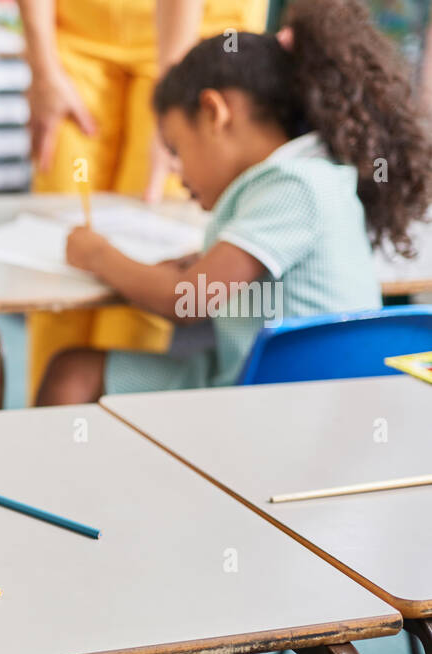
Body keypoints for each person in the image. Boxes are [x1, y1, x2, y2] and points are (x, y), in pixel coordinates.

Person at [36, 0, 431, 404]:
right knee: (75, 369)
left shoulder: (293, 185)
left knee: (73, 373)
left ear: (213, 113)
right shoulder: (308, 173)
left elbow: (186, 300)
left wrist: (97, 254)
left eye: (177, 147)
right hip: (280, 385)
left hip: (282, 402)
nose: (177, 170)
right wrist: (203, 258)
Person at [18, 0, 269, 403]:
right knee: (58, 266)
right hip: (83, 33)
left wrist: (172, 104)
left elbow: (184, 298)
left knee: (152, 245)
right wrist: (43, 68)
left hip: (195, 34)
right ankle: (58, 436)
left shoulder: (284, 190)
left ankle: (123, 430)